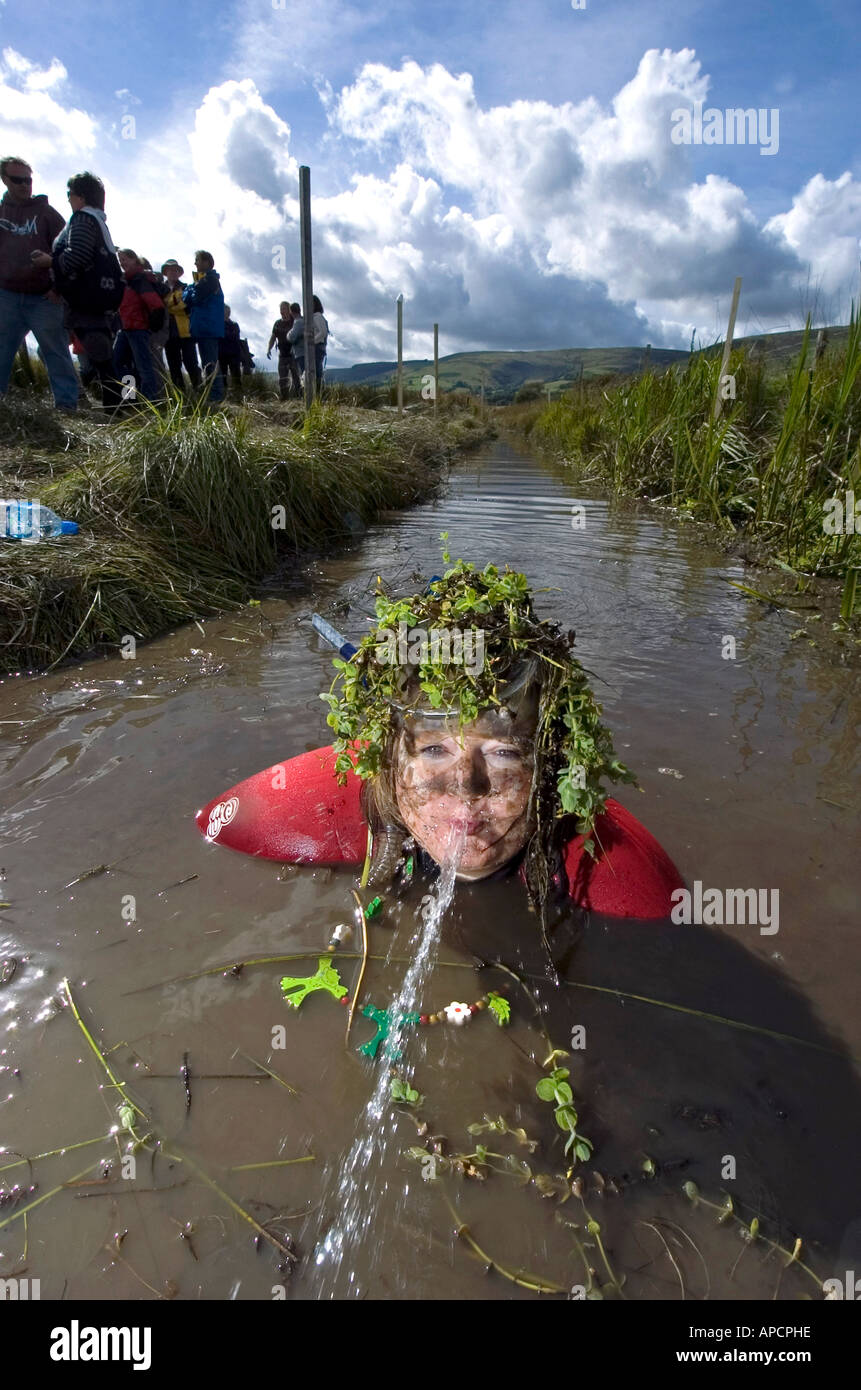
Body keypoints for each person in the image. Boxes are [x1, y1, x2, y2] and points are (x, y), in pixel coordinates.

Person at [0, 155, 80, 412]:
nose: (25, 185)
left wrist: (58, 288)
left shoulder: (46, 213)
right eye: (18, 180)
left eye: (28, 180)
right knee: (1, 351)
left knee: (56, 352)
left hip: (44, 298)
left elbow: (69, 251)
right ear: (4, 180)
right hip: (6, 297)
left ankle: (67, 406)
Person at [40, 170, 124, 412]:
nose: (68, 199)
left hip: (87, 302)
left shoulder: (83, 220)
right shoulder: (97, 221)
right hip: (98, 301)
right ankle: (111, 408)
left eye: (70, 194)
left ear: (81, 197)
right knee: (101, 358)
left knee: (101, 358)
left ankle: (113, 410)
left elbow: (77, 256)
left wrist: (50, 262)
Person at [113, 248, 166, 402]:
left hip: (138, 330)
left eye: (125, 259)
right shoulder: (126, 281)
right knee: (119, 362)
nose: (122, 263)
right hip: (125, 329)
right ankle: (131, 399)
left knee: (143, 367)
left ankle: (151, 403)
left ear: (134, 260)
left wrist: (150, 327)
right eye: (120, 260)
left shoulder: (140, 280)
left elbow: (156, 306)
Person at [182, 250, 224, 403]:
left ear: (207, 262)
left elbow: (193, 297)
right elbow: (187, 296)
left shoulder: (211, 280)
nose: (195, 263)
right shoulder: (203, 281)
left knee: (210, 364)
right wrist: (191, 290)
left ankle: (215, 397)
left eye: (198, 260)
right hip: (204, 328)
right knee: (208, 363)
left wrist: (191, 290)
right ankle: (213, 396)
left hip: (208, 328)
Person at [160, 260, 200, 391]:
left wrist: (167, 304)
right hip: (168, 333)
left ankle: (199, 391)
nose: (173, 272)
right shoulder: (160, 288)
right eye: (170, 269)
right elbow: (163, 307)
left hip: (186, 332)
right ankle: (180, 395)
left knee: (191, 363)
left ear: (179, 273)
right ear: (165, 272)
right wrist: (174, 303)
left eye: (175, 270)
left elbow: (184, 306)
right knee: (173, 365)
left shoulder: (186, 287)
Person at [267, 300, 300, 399]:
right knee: (282, 379)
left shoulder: (294, 322)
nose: (282, 311)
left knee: (296, 378)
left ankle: (299, 398)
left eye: (284, 309)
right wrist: (268, 349)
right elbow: (273, 337)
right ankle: (284, 399)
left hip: (294, 355)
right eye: (281, 309)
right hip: (282, 355)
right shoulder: (277, 323)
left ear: (289, 310)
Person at [219, 305, 243, 392]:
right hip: (222, 354)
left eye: (229, 311)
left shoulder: (235, 324)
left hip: (234, 354)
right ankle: (225, 396)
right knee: (223, 376)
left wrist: (227, 335)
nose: (228, 312)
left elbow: (235, 336)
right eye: (226, 311)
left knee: (236, 377)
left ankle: (238, 395)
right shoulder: (218, 324)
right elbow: (224, 336)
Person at [285, 301, 305, 384]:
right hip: (302, 352)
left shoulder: (298, 322)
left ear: (291, 312)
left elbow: (292, 337)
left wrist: (288, 334)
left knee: (303, 375)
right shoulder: (303, 320)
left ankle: (305, 394)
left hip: (300, 352)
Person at [312, 294, 329, 390]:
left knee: (317, 372)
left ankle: (319, 393)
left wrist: (311, 342)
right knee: (317, 371)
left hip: (317, 347)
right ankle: (318, 392)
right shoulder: (317, 316)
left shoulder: (317, 316)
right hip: (319, 347)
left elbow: (323, 332)